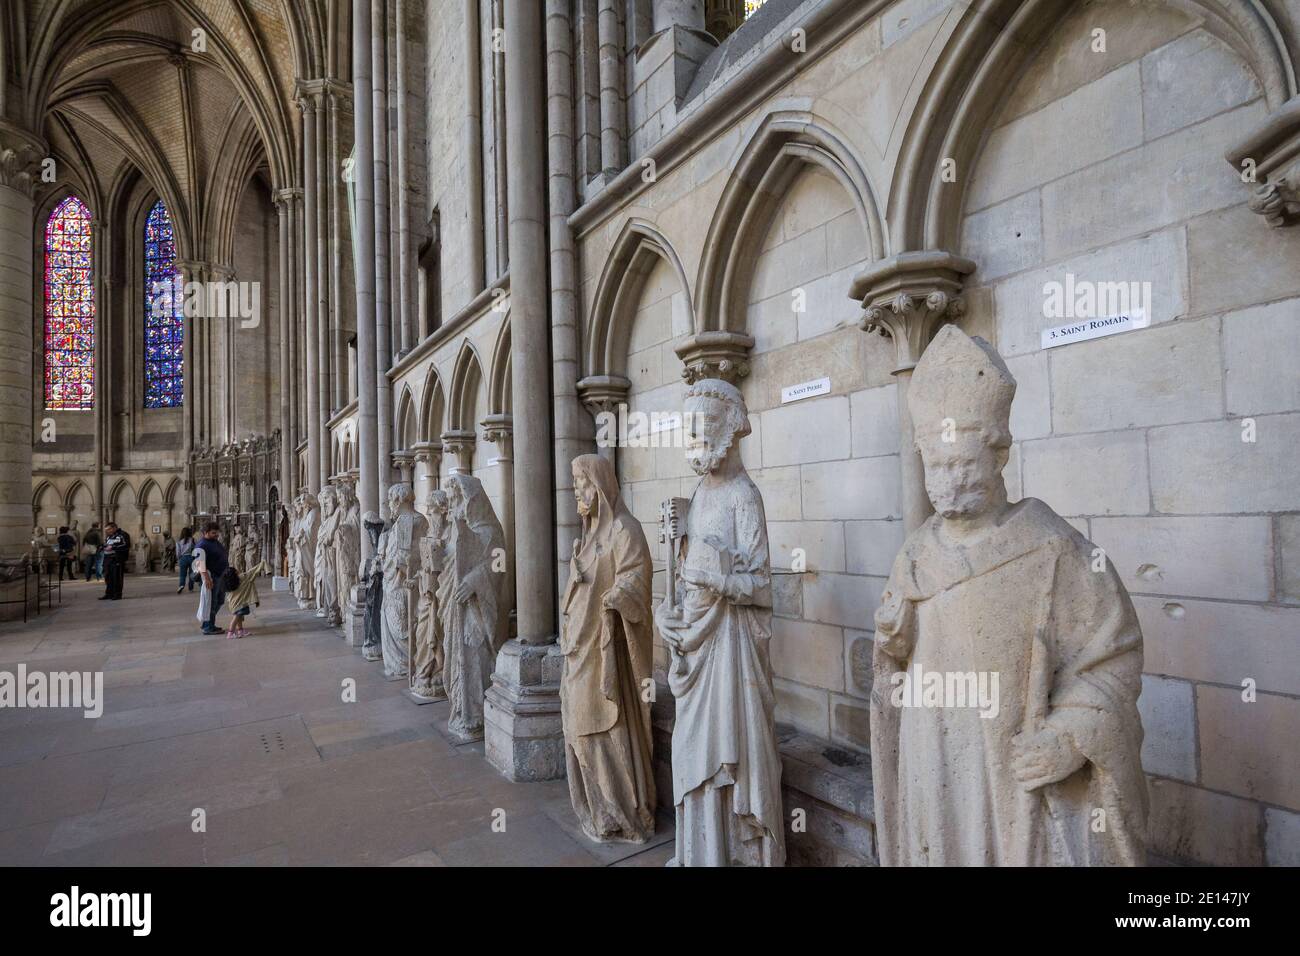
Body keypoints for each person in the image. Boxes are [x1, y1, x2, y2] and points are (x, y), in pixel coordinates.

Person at [195, 522, 229, 635]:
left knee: (220, 600)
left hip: (220, 575)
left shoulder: (213, 541)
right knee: (211, 602)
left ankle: (207, 622)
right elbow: (199, 563)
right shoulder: (201, 545)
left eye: (217, 532)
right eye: (214, 533)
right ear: (205, 533)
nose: (217, 535)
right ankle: (208, 627)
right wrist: (207, 579)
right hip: (212, 577)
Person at [225, 560, 268, 639]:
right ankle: (230, 633)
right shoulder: (243, 578)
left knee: (239, 618)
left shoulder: (229, 584)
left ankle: (240, 630)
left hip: (233, 605)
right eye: (236, 570)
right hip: (240, 605)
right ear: (235, 573)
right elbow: (252, 571)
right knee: (236, 618)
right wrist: (262, 563)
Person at [100, 521, 130, 600]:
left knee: (116, 577)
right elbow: (107, 544)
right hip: (107, 559)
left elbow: (126, 545)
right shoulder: (109, 536)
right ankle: (109, 593)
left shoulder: (123, 535)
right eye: (106, 530)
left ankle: (117, 594)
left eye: (109, 529)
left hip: (116, 559)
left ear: (114, 528)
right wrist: (103, 547)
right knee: (108, 577)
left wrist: (113, 547)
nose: (107, 531)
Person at [175, 527, 196, 594]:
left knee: (182, 574)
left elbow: (178, 552)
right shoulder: (192, 540)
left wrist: (179, 559)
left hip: (183, 558)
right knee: (191, 573)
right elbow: (196, 548)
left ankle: (181, 585)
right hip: (191, 557)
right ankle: (190, 588)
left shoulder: (179, 541)